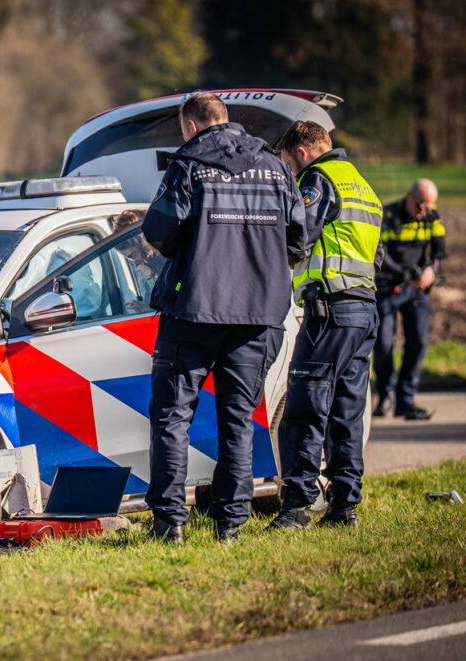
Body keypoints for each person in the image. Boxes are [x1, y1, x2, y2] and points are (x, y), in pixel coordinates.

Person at [141, 93, 307, 544]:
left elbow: (158, 231)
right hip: (258, 316)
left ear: (191, 126)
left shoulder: (189, 164)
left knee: (173, 418)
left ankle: (170, 523)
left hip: (194, 311)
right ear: (225, 120)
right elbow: (299, 239)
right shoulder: (274, 167)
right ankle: (230, 527)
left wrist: (192, 250)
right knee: (238, 420)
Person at [268, 121, 383, 531]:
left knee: (304, 408)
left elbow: (297, 237)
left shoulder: (318, 178)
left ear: (300, 153)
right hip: (363, 309)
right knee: (346, 413)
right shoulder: (361, 185)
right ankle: (344, 508)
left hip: (329, 311)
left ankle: (296, 507)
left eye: (287, 164)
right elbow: (378, 256)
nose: (290, 175)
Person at [372, 179, 446, 420]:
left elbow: (439, 252)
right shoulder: (389, 215)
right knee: (383, 344)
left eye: (428, 206)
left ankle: (406, 399)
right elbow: (377, 253)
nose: (423, 211)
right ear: (409, 196)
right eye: (420, 205)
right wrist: (402, 274)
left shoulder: (432, 217)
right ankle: (386, 394)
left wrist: (431, 270)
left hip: (417, 290)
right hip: (388, 286)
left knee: (419, 341)